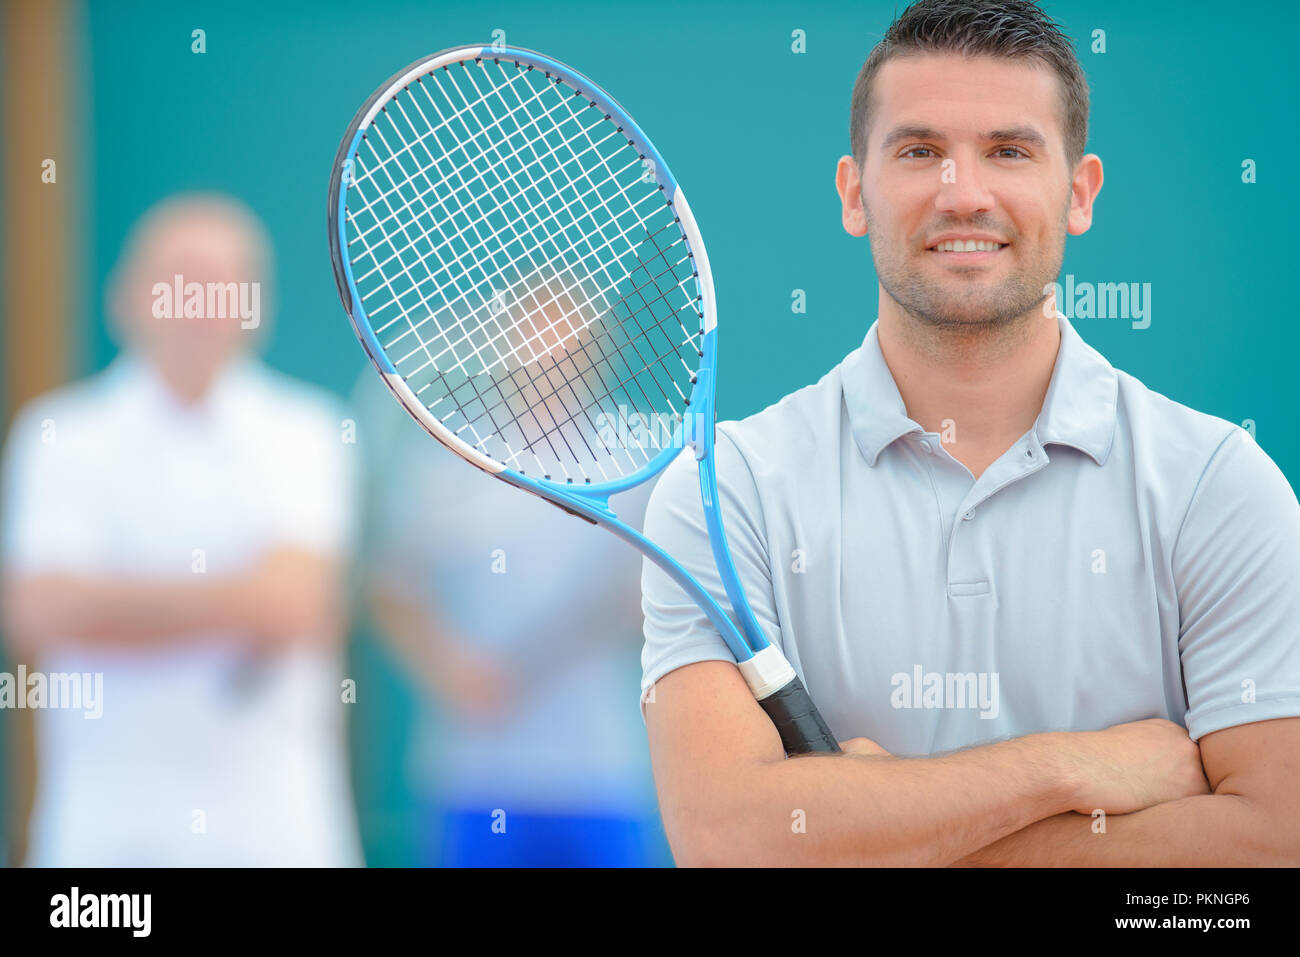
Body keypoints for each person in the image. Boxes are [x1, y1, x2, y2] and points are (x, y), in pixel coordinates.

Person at [641, 0, 1300, 866]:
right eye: (919, 152)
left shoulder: (1220, 485)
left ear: (1079, 193)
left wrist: (877, 821)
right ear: (854, 193)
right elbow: (730, 839)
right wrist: (1070, 769)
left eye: (1009, 151)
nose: (964, 194)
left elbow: (1271, 846)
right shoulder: (724, 492)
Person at [1, 194, 362, 865]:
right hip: (103, 850)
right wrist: (237, 600)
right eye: (179, 277)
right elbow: (39, 609)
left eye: (223, 282)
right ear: (126, 296)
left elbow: (293, 604)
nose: (198, 302)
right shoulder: (57, 436)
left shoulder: (310, 433)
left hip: (279, 839)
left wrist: (109, 606)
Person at [351, 363, 666, 867]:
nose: (552, 363)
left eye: (570, 347)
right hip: (474, 779)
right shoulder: (451, 455)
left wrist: (641, 610)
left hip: (600, 778)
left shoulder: (631, 462)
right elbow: (391, 590)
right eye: (535, 345)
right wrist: (448, 667)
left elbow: (651, 601)